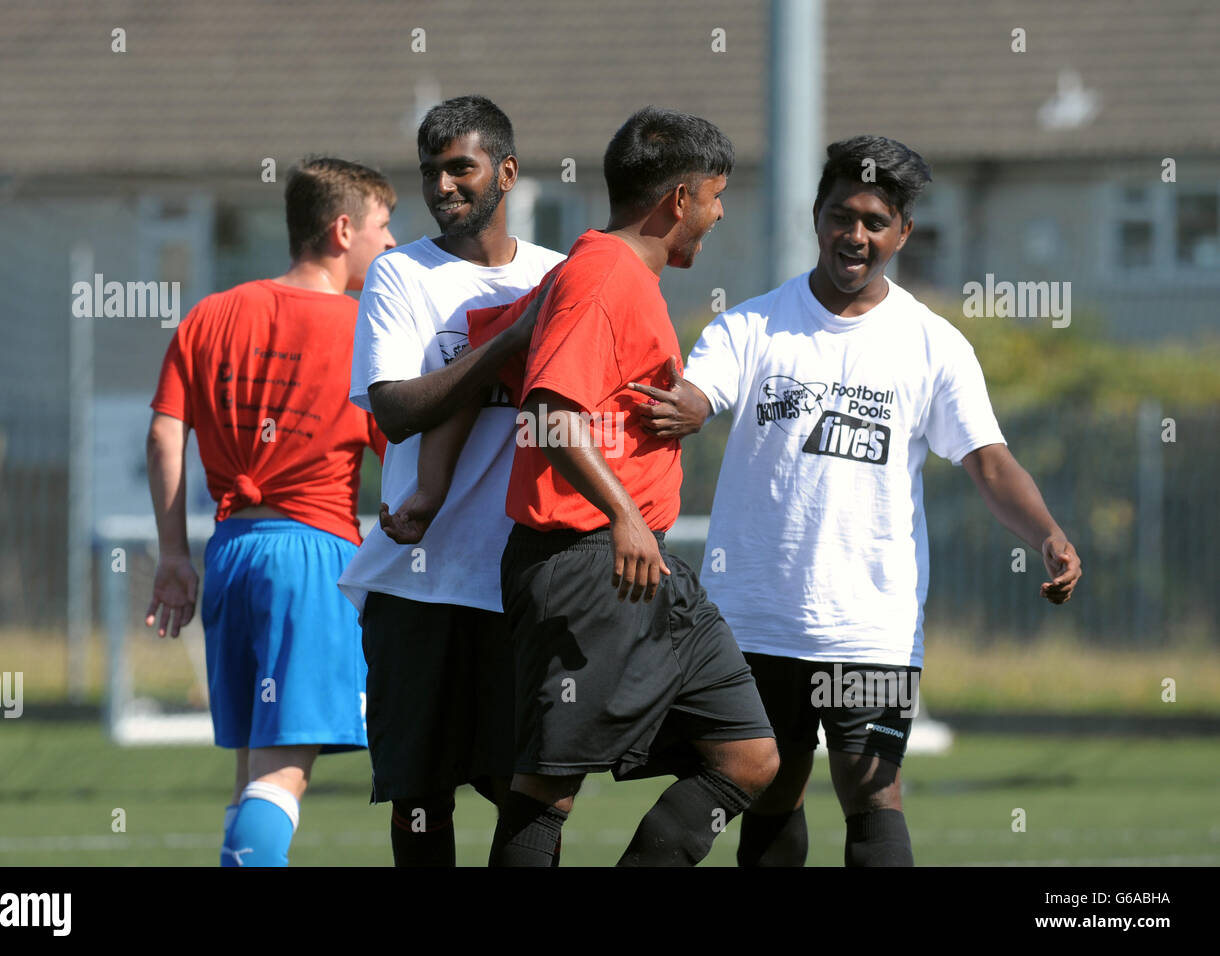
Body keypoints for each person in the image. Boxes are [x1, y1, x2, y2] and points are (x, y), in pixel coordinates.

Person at [629, 134, 1083, 866]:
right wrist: (682, 406)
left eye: (876, 221)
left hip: (871, 626)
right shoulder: (750, 326)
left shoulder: (933, 344)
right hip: (751, 621)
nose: (856, 235)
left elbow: (989, 461)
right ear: (817, 217)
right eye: (843, 215)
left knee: (874, 795)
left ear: (903, 232)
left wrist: (1048, 534)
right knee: (766, 789)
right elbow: (697, 392)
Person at [463, 106, 779, 867]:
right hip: (589, 561)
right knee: (546, 789)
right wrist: (624, 516)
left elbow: (524, 364)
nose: (719, 211)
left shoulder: (612, 275)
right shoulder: (603, 276)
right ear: (679, 200)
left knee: (749, 757)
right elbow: (547, 413)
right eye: (715, 195)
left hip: (647, 570)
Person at [144, 157, 395, 866]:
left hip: (230, 552)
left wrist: (172, 555)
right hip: (312, 558)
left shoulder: (211, 313)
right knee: (283, 774)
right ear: (343, 229)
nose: (392, 244)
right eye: (384, 226)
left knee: (253, 768)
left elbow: (165, 430)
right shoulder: (363, 330)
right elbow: (403, 453)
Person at [334, 94, 564, 867]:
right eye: (431, 172)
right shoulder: (401, 273)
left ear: (506, 171)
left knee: (529, 788)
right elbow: (396, 410)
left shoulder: (558, 278)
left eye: (460, 168)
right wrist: (508, 344)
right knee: (421, 799)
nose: (443, 187)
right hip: (419, 584)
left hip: (522, 582)